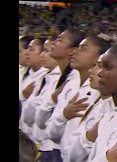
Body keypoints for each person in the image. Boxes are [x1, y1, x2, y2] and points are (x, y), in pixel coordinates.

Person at [35, 28, 85, 162]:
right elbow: (40, 120)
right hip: (50, 148)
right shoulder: (56, 78)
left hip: (61, 152)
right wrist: (52, 99)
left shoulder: (77, 82)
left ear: (71, 50)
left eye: (59, 40)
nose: (53, 44)